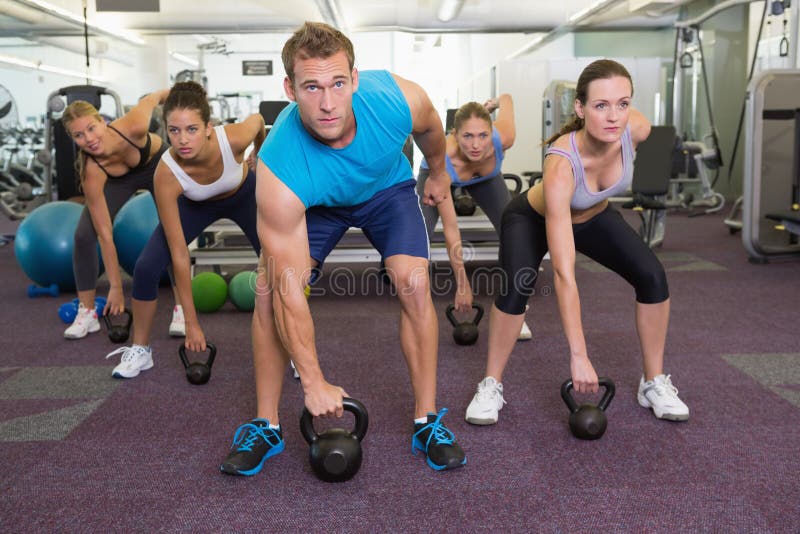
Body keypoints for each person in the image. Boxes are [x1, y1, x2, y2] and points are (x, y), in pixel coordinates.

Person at [219, 21, 466, 476]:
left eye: (337, 83)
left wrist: (438, 172)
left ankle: (427, 421)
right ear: (290, 89)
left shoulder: (396, 99)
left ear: (354, 78)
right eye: (311, 87)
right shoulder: (279, 168)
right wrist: (313, 382)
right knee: (270, 292)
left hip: (386, 191)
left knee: (414, 284)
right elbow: (291, 294)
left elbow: (432, 126)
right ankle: (266, 425)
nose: (328, 103)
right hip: (316, 203)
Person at [464, 59, 690, 426]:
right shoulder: (561, 165)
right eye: (601, 105)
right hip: (531, 219)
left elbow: (632, 134)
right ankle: (490, 384)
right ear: (580, 109)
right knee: (516, 289)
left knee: (652, 276)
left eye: (622, 103)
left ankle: (653, 382)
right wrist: (579, 355)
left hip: (594, 216)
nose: (614, 116)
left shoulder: (637, 128)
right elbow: (565, 274)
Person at [103, 81, 266, 379]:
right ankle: (140, 349)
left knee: (277, 264)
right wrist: (191, 322)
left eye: (192, 129)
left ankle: (292, 349)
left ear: (208, 128)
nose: (182, 140)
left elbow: (257, 120)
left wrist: (260, 153)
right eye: (174, 131)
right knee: (146, 267)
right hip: (196, 205)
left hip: (243, 196)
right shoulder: (166, 173)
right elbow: (179, 254)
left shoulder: (233, 139)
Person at [61, 92, 186, 341]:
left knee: (171, 232)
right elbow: (105, 234)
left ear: (103, 121)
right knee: (84, 235)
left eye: (91, 128)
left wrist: (185, 95)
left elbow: (152, 98)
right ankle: (87, 312)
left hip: (156, 165)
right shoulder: (93, 169)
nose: (89, 139)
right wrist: (116, 287)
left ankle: (182, 308)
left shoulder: (133, 126)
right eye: (79, 135)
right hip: (119, 180)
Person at [416, 96, 531, 339]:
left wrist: (494, 104)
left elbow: (508, 98)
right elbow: (451, 228)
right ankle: (417, 310)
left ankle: (514, 310)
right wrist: (463, 284)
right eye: (468, 136)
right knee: (418, 238)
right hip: (441, 174)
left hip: (487, 178)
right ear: (455, 134)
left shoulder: (504, 137)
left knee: (513, 231)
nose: (476, 145)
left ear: (492, 131)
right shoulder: (443, 158)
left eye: (483, 135)